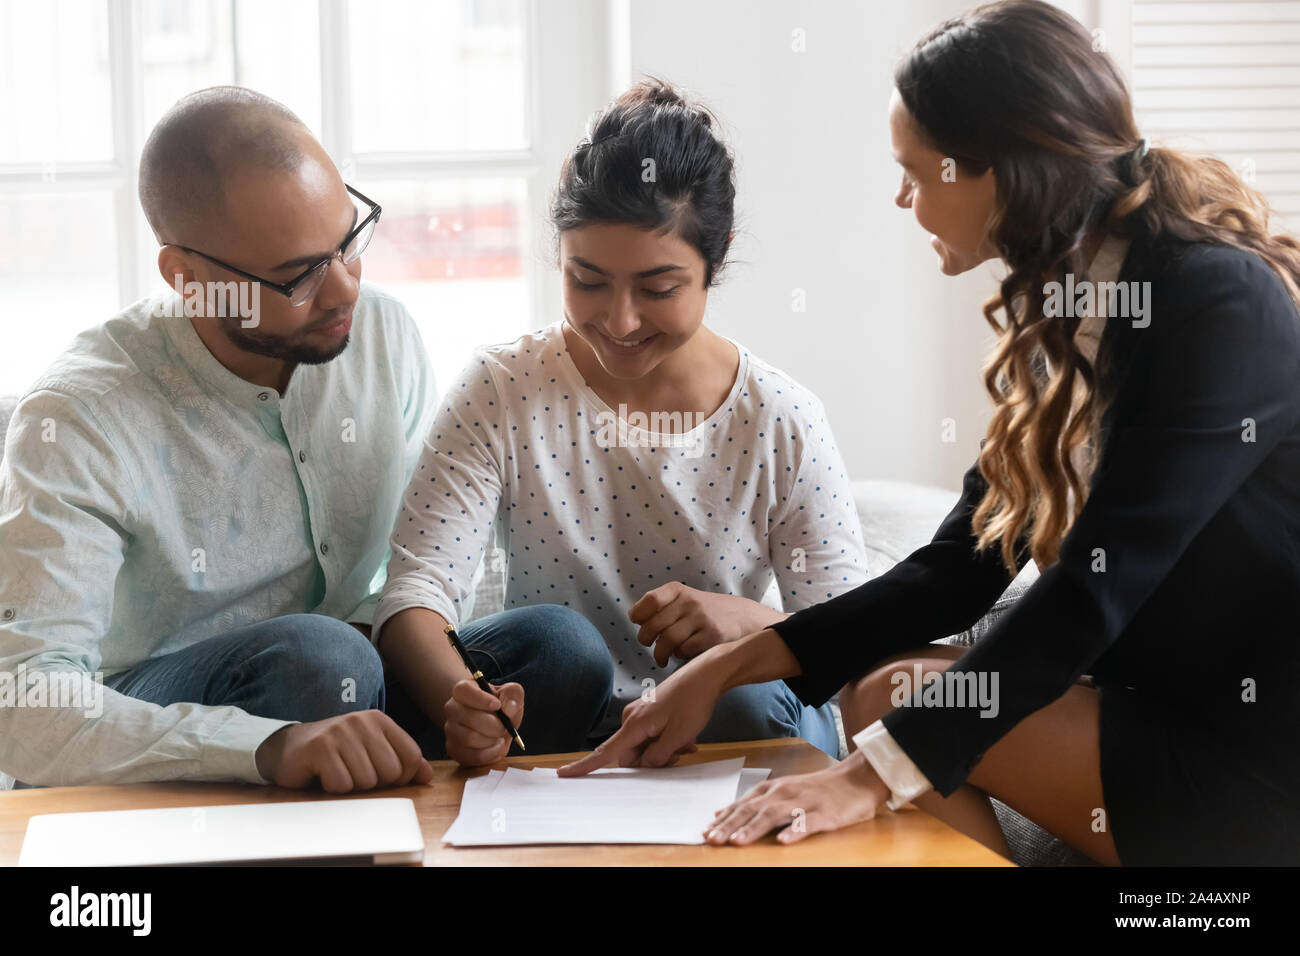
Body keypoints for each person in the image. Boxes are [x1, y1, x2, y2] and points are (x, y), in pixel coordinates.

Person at [559, 0, 1300, 868]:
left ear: (999, 169)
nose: (902, 195)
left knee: (891, 704)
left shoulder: (1216, 299)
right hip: (1150, 712)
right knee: (888, 685)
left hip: (1252, 757)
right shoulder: (1063, 316)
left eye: (916, 171)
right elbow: (953, 574)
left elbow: (1098, 588)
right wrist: (723, 668)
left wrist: (862, 781)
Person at [374, 78, 868, 766]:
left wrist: (748, 625)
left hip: (723, 731)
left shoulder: (782, 420)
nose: (621, 320)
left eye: (658, 289)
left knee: (739, 690)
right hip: (556, 723)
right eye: (589, 281)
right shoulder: (503, 387)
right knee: (560, 644)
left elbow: (859, 639)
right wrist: (461, 697)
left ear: (715, 256)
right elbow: (416, 589)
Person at [0, 86, 437, 793]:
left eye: (349, 240)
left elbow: (413, 565)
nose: (345, 292)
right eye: (299, 275)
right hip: (155, 724)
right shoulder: (80, 416)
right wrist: (265, 748)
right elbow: (23, 706)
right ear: (189, 278)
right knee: (323, 660)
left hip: (350, 688)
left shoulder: (382, 334)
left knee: (554, 651)